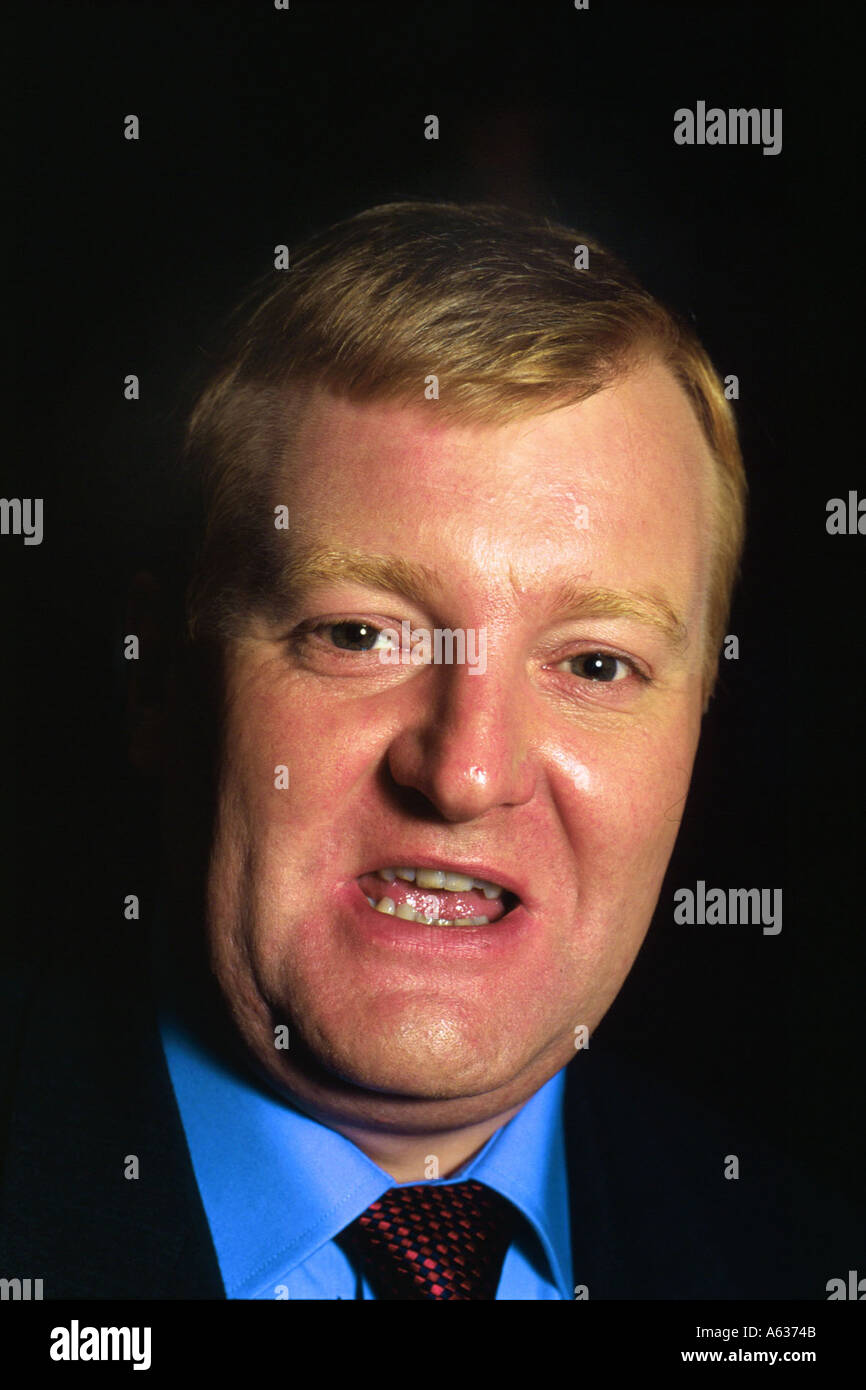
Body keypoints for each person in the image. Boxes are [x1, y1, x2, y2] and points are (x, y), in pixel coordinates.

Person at [0, 202, 853, 1300]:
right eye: (357, 634)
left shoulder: (796, 1268)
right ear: (160, 681)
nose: (464, 776)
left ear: (697, 725)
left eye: (594, 664)